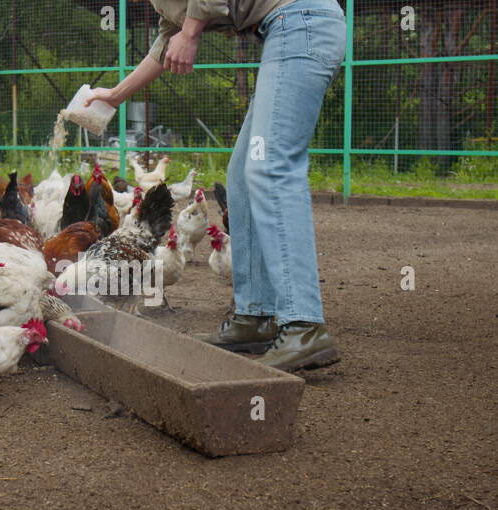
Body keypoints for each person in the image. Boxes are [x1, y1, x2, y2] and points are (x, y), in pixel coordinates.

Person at [87, 0, 346, 372]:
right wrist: (115, 95)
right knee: (241, 179)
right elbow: (165, 42)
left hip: (301, 23)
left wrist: (192, 31)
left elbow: (191, 22)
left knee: (270, 167)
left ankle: (304, 325)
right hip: (285, 31)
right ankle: (256, 317)